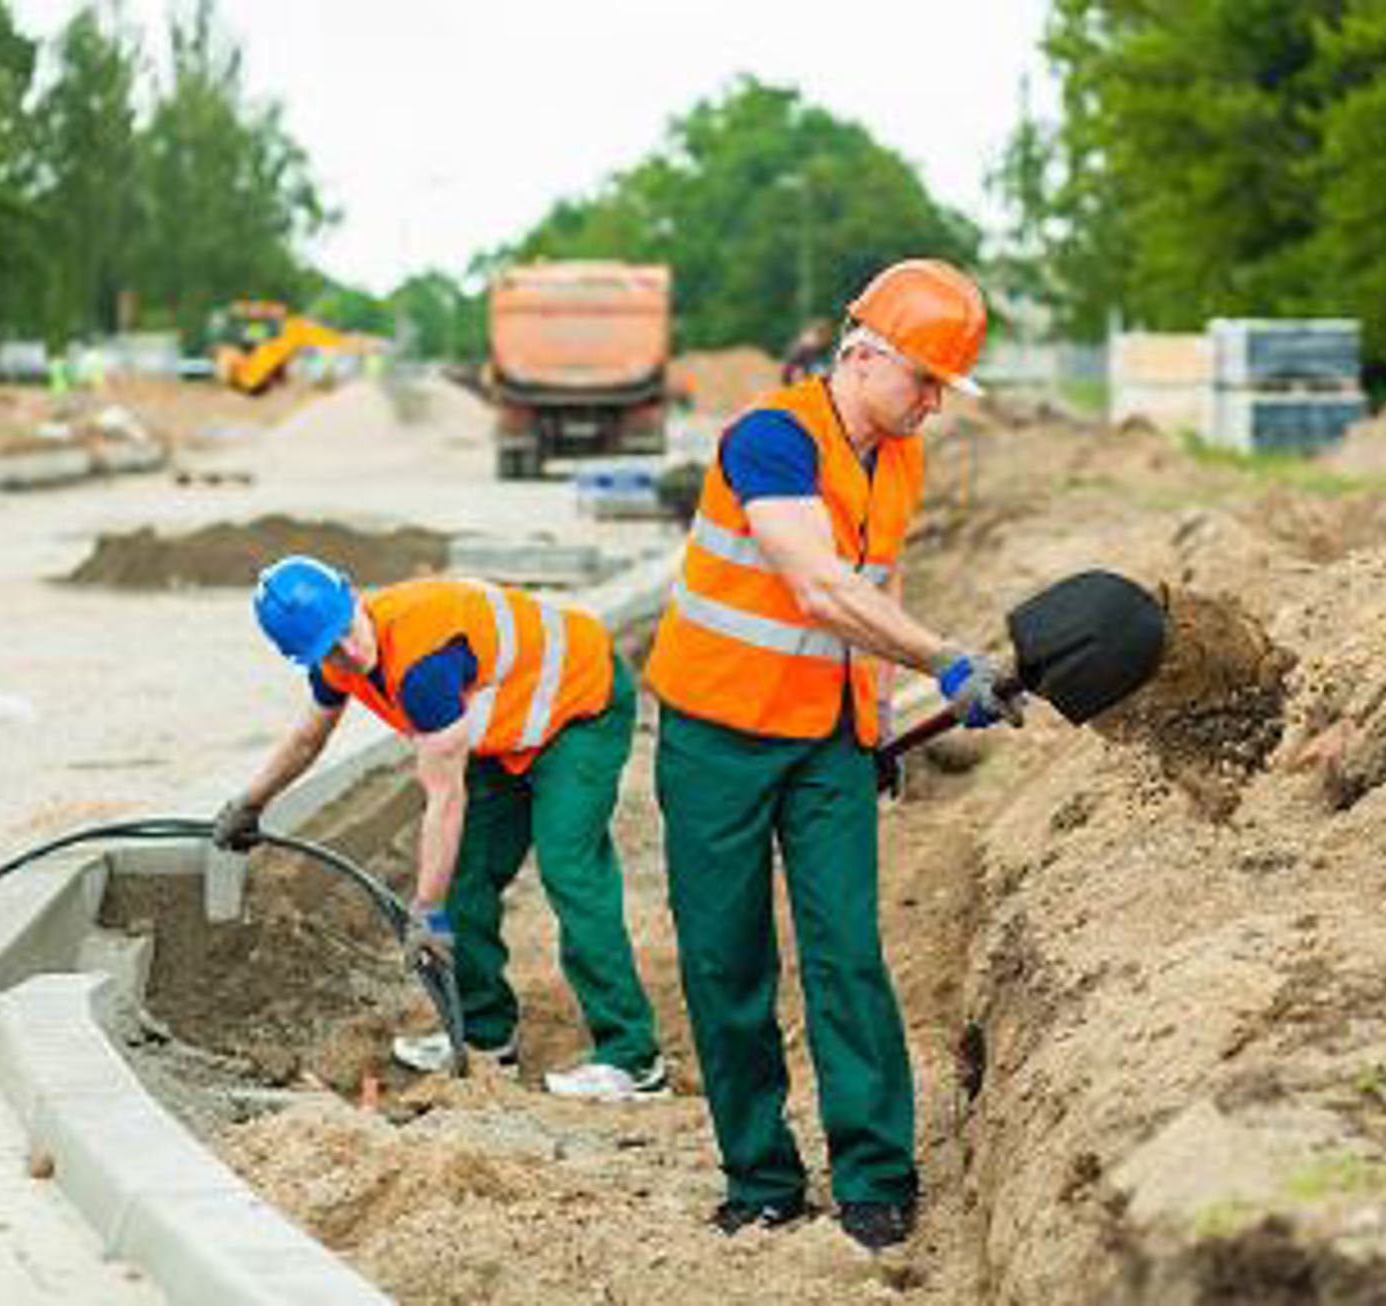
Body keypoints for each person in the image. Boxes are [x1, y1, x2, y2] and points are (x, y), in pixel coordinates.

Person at [643, 259, 1019, 1250]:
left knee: (848, 953)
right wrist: (946, 663)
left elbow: (869, 600)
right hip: (717, 735)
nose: (935, 403)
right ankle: (761, 1178)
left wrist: (876, 725)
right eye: (924, 380)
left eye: (945, 385)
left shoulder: (897, 456)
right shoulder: (770, 438)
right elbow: (818, 587)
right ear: (863, 355)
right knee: (728, 963)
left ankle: (874, 1179)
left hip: (825, 743)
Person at [214, 559, 665, 1100]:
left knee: (569, 867)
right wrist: (250, 803)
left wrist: (426, 910)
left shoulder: (424, 660)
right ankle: (482, 1032)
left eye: (346, 636)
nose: (348, 656)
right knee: (468, 874)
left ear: (356, 597)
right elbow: (307, 740)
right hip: (507, 728)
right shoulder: (333, 661)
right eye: (329, 652)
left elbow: (445, 797)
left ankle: (634, 1059)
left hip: (578, 708)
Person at [779, 318, 834, 386]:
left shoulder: (808, 338)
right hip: (794, 370)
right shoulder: (810, 341)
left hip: (793, 369)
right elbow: (806, 361)